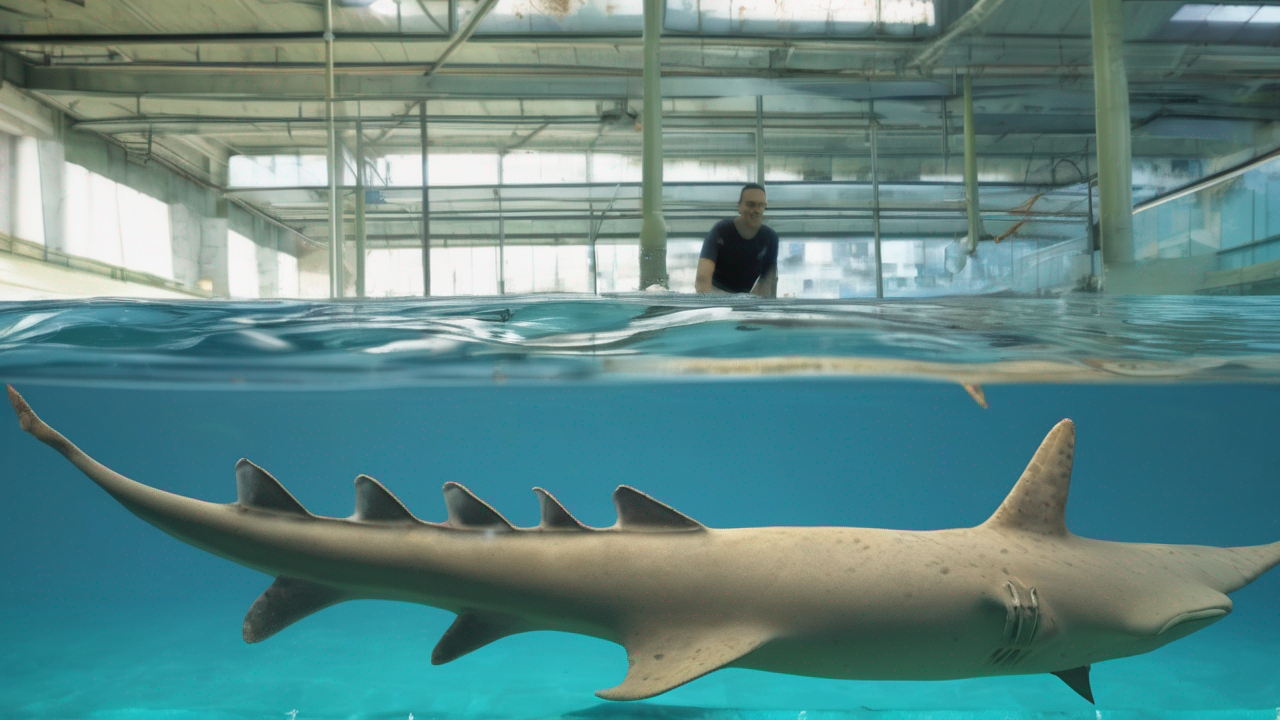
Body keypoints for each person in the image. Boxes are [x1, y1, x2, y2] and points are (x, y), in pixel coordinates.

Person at [695, 183, 778, 297]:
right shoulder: (721, 230)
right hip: (714, 294)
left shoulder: (770, 238)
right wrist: (708, 305)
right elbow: (702, 278)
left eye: (761, 205)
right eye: (751, 205)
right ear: (739, 207)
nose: (757, 210)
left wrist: (755, 306)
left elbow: (767, 281)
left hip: (744, 297)